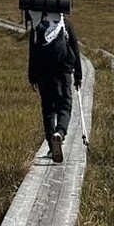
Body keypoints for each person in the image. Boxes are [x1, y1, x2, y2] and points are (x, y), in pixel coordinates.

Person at [28, 12, 81, 163]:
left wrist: (32, 75)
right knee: (65, 106)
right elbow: (75, 48)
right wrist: (78, 75)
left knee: (48, 108)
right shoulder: (65, 23)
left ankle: (52, 147)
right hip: (63, 71)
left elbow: (32, 51)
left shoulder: (37, 25)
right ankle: (60, 133)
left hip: (43, 72)